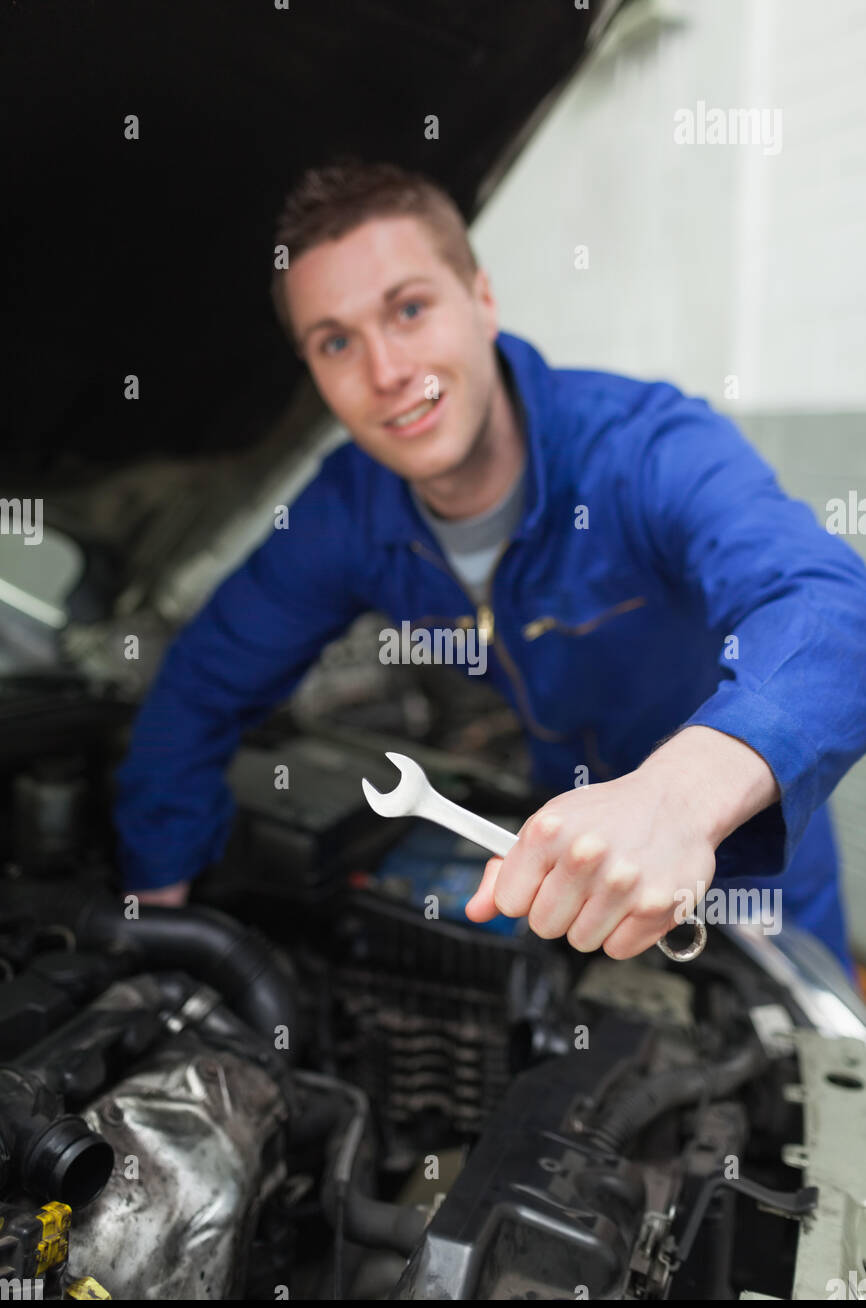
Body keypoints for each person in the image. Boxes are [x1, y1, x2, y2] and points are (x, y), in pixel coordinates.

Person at [112, 157, 866, 979]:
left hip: (748, 861)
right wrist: (159, 909)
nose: (386, 371)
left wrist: (677, 799)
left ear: (482, 299)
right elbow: (200, 688)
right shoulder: (343, 515)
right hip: (557, 853)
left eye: (408, 308)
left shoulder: (640, 449)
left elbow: (831, 611)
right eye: (336, 341)